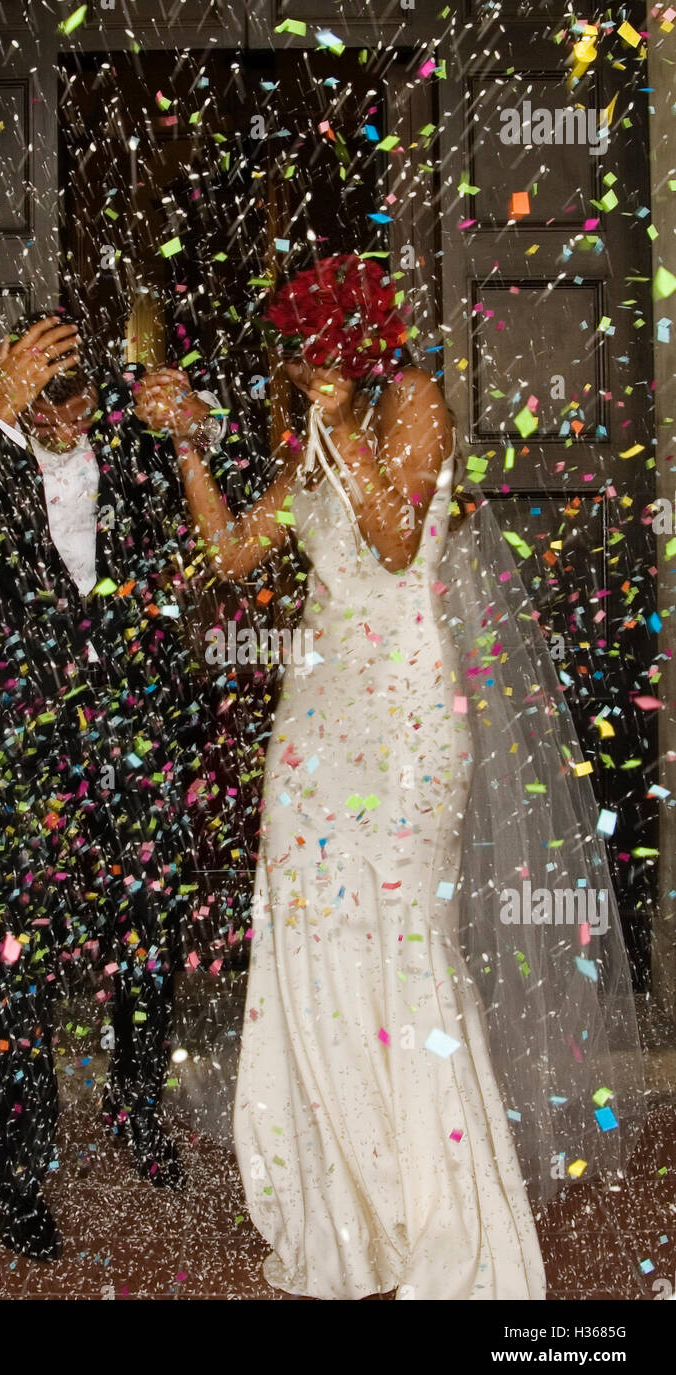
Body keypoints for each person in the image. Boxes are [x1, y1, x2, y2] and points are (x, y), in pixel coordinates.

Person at [133, 255, 645, 1299]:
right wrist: (191, 443)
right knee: (309, 949)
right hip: (315, 723)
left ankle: (434, 1222)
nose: (297, 362)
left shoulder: (411, 403)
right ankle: (347, 1223)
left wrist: (347, 426)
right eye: (290, 345)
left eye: (311, 341)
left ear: (352, 341)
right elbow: (232, 553)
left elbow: (395, 536)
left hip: (405, 719)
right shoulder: (307, 431)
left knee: (400, 955)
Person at [0, 310, 224, 1260]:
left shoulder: (130, 437)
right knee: (19, 975)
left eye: (78, 389)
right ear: (9, 374)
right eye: (43, 389)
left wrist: (195, 424)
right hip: (18, 757)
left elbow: (230, 485)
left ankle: (135, 1111)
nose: (64, 410)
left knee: (146, 941)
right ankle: (18, 1176)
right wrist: (2, 410)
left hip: (130, 739)